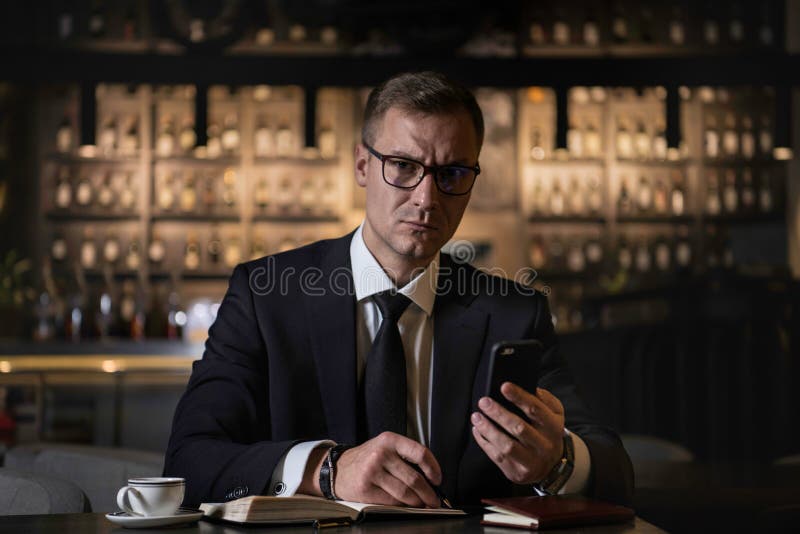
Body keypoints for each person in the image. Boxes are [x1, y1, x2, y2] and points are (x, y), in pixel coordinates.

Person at [165, 71, 633, 509]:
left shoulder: (515, 312)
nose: (427, 199)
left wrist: (558, 462)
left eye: (451, 174)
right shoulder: (265, 296)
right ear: (362, 165)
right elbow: (189, 461)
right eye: (404, 166)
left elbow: (613, 469)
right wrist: (327, 470)